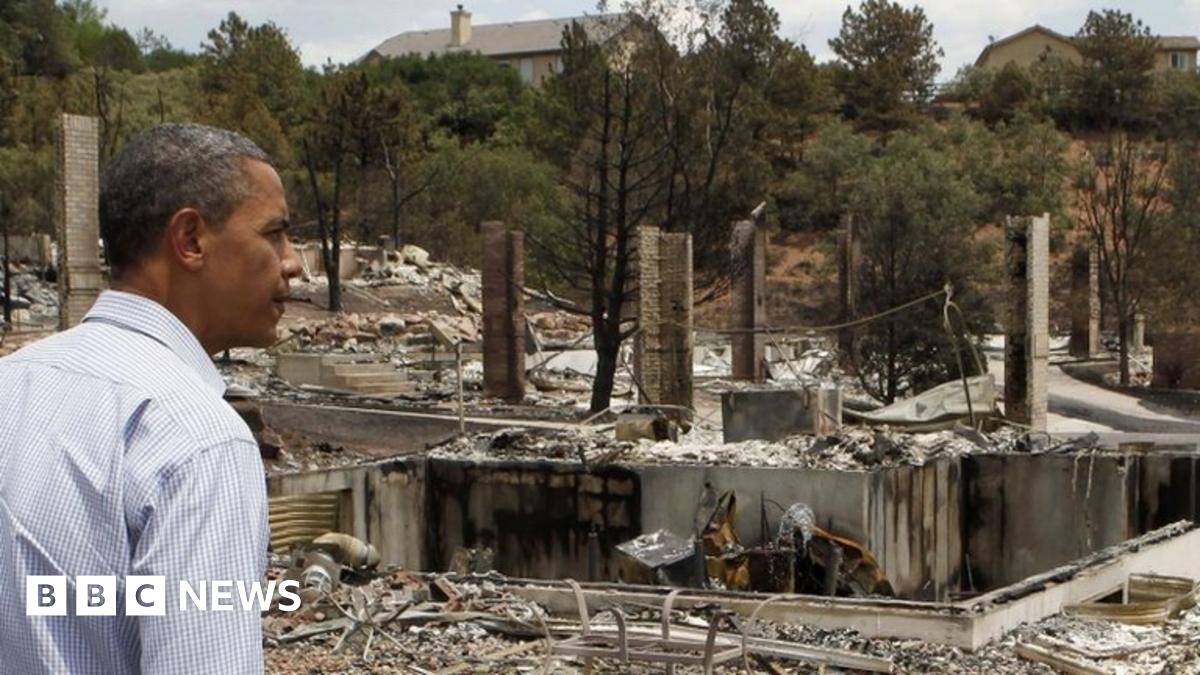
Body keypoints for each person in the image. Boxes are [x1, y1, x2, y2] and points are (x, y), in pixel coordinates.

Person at [0, 123, 302, 674]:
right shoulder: (198, 440)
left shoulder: (12, 383)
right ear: (190, 240)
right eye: (274, 233)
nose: (294, 262)